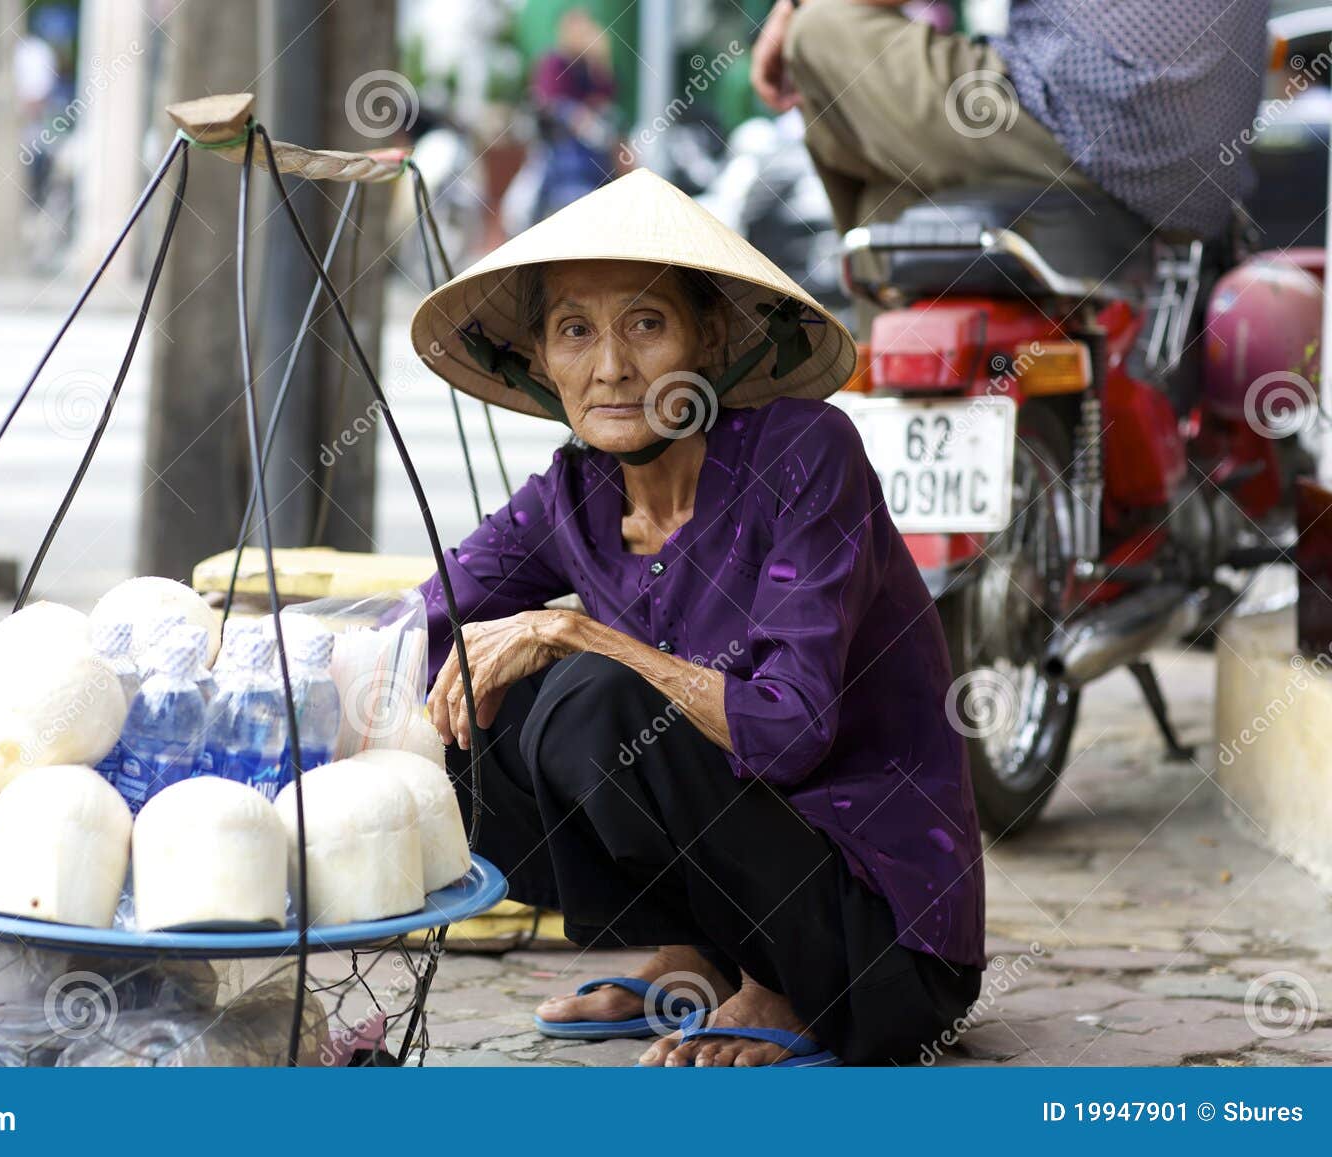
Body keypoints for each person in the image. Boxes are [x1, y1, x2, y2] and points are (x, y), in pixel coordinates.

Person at [412, 169, 984, 1067]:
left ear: (709, 338)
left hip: (880, 942)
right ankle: (704, 955)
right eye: (575, 331)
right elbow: (424, 621)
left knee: (591, 695)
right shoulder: (576, 488)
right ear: (541, 356)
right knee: (457, 711)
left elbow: (791, 732)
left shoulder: (805, 453)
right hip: (753, 885)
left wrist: (577, 633)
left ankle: (786, 986)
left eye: (646, 323)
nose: (610, 367)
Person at [751, 0, 1269, 240]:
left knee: (822, 31)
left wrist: (796, 7)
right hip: (1195, 181)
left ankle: (862, 342)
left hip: (1088, 128)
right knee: (894, 200)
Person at [527, 7, 618, 222]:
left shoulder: (588, 66)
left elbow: (606, 99)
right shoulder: (554, 63)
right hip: (559, 152)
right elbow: (549, 102)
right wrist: (576, 115)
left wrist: (599, 62)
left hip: (592, 153)